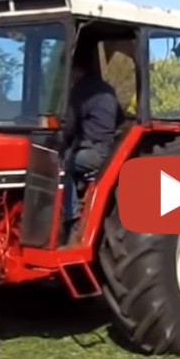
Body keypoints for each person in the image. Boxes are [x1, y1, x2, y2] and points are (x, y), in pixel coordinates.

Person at [60, 49, 123, 241]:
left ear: (75, 70)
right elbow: (119, 118)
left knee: (59, 166)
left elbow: (68, 125)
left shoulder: (83, 90)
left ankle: (72, 217)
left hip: (94, 152)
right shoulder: (106, 88)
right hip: (106, 148)